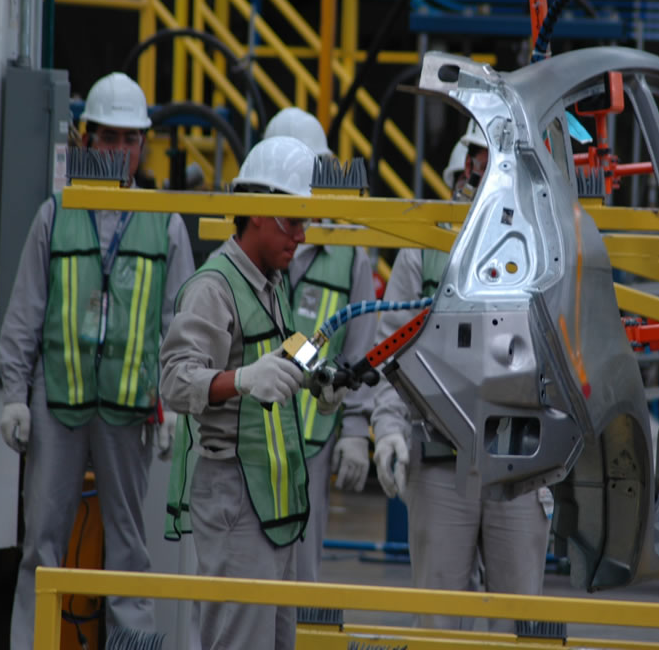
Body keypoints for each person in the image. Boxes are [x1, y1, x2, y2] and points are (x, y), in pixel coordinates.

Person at [0, 71, 195, 648]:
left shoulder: (167, 224)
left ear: (143, 146)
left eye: (129, 139)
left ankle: (131, 645)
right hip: (57, 401)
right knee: (42, 545)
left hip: (129, 409)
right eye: (107, 137)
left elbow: (178, 327)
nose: (118, 150)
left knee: (129, 547)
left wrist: (174, 403)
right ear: (86, 141)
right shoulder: (54, 214)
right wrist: (14, 396)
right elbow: (25, 314)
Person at [160, 134, 344, 650]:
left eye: (306, 221)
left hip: (275, 497)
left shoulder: (270, 280)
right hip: (235, 497)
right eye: (292, 221)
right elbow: (175, 378)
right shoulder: (213, 287)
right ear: (257, 213)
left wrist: (318, 376)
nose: (303, 235)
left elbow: (286, 345)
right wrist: (239, 380)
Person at [369, 121, 552, 630]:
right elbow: (391, 353)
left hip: (520, 463)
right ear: (462, 167)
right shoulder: (423, 248)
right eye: (479, 157)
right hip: (439, 461)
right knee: (439, 622)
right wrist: (386, 430)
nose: (486, 168)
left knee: (522, 625)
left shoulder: (542, 244)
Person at [264, 107, 378, 582]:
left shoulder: (350, 252)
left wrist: (355, 431)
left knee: (301, 571)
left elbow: (361, 350)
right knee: (245, 572)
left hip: (312, 441)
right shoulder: (252, 243)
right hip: (248, 439)